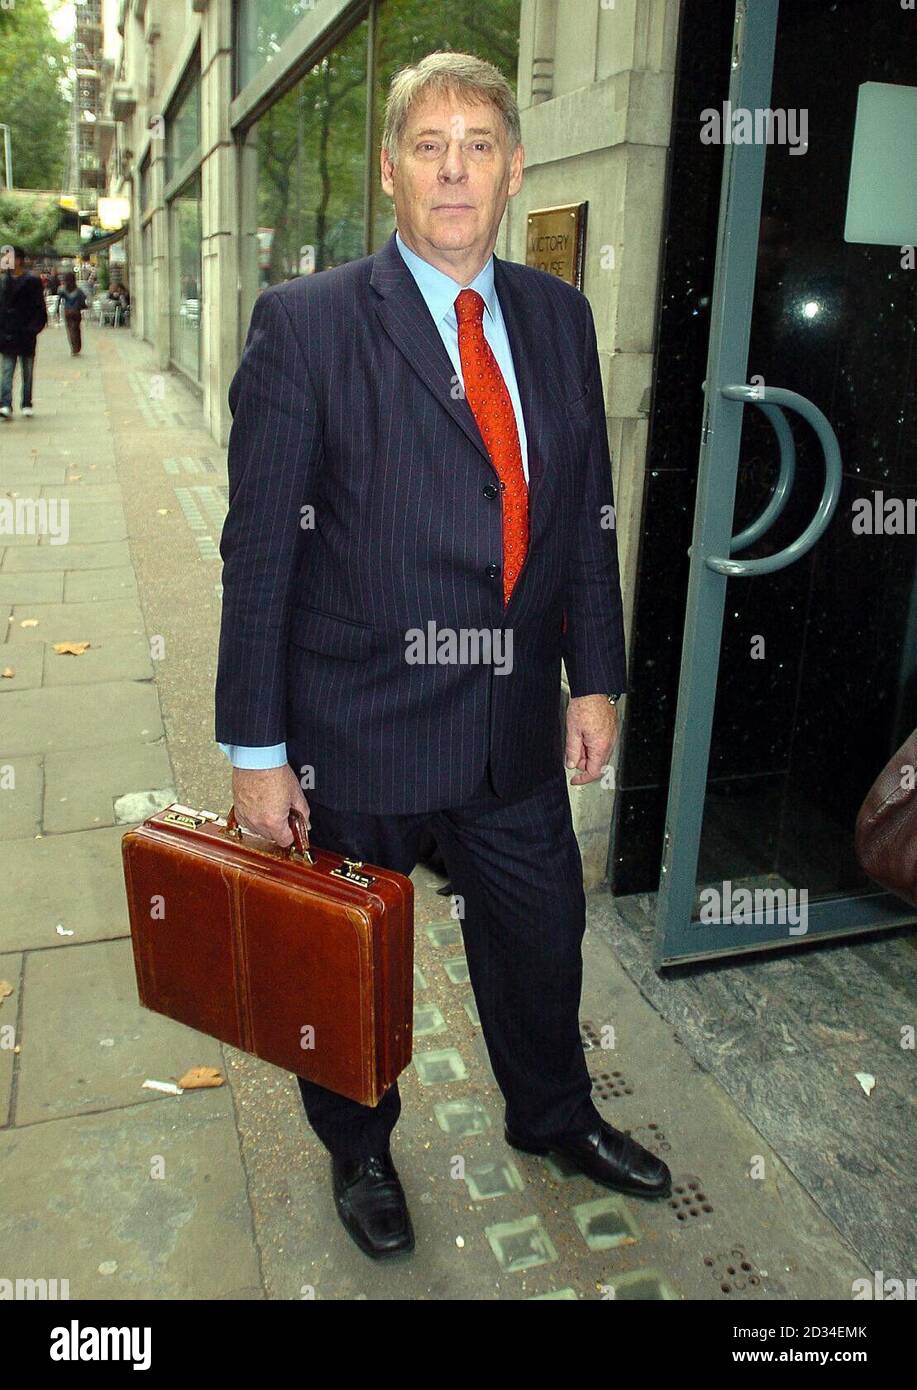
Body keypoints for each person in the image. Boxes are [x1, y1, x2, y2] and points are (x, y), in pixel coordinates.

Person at [215, 50, 671, 1262]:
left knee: (540, 933)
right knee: (344, 963)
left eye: (478, 144)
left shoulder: (557, 315)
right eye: (429, 146)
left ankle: (551, 1113)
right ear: (390, 173)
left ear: (515, 170)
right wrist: (258, 756)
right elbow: (258, 552)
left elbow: (582, 513)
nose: (454, 169)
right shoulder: (305, 327)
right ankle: (357, 1146)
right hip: (352, 729)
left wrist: (598, 676)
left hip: (509, 724)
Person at [0, 246, 48, 420]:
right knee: (6, 371)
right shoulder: (3, 281)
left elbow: (39, 308)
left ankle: (26, 403)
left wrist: (33, 329)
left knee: (27, 371)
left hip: (26, 332)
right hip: (7, 333)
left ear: (18, 260)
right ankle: (5, 404)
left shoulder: (31, 281)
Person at [57, 272, 87, 355]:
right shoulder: (79, 291)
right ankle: (77, 347)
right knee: (76, 329)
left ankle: (73, 348)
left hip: (67, 312)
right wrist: (84, 306)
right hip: (76, 312)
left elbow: (59, 300)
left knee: (70, 330)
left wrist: (57, 311)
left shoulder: (63, 290)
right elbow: (83, 301)